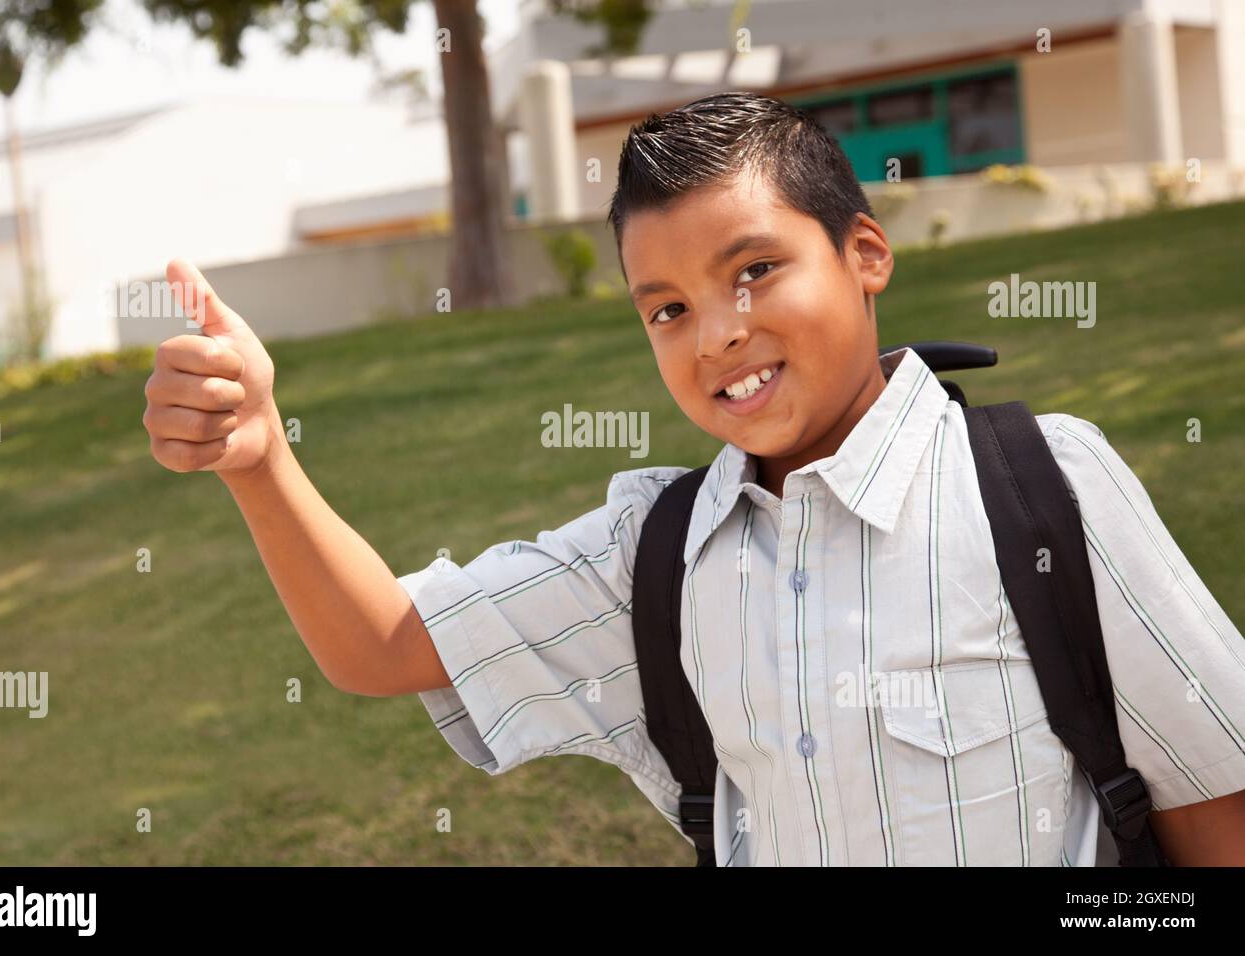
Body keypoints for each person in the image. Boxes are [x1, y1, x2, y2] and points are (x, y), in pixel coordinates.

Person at [141, 91, 1245, 866]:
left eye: (755, 269)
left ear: (864, 253)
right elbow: (381, 642)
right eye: (666, 307)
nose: (717, 333)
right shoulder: (654, 557)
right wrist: (263, 457)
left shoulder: (1044, 489)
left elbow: (1215, 803)